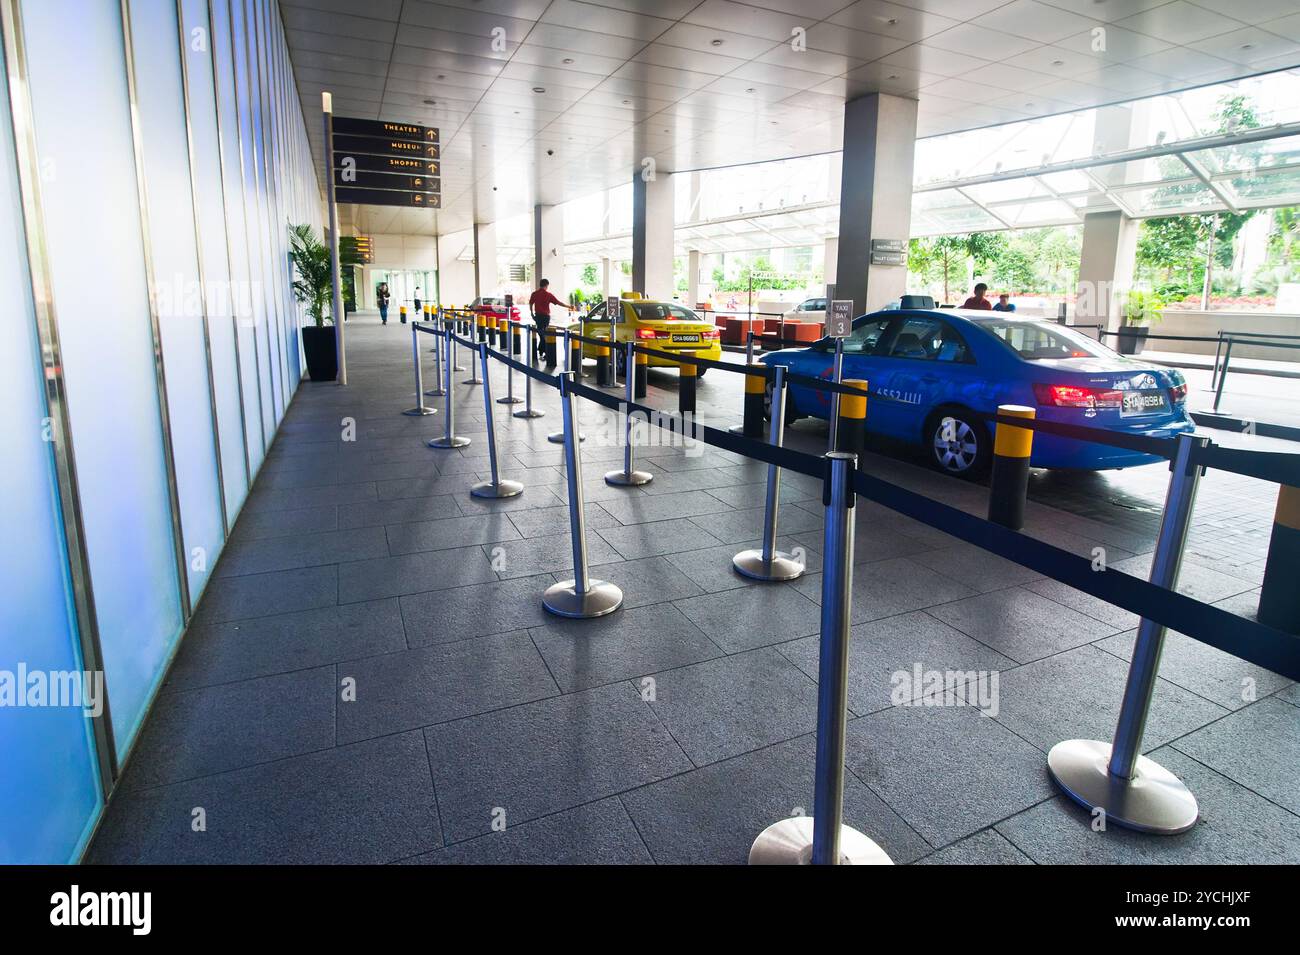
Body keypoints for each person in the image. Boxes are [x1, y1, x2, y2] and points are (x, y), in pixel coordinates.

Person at [527, 278, 570, 363]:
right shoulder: (548, 294)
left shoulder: (534, 294)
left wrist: (532, 313)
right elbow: (558, 302)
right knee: (544, 333)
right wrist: (568, 306)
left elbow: (531, 303)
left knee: (540, 333)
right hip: (546, 317)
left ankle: (541, 349)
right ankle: (544, 350)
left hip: (538, 316)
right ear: (546, 285)